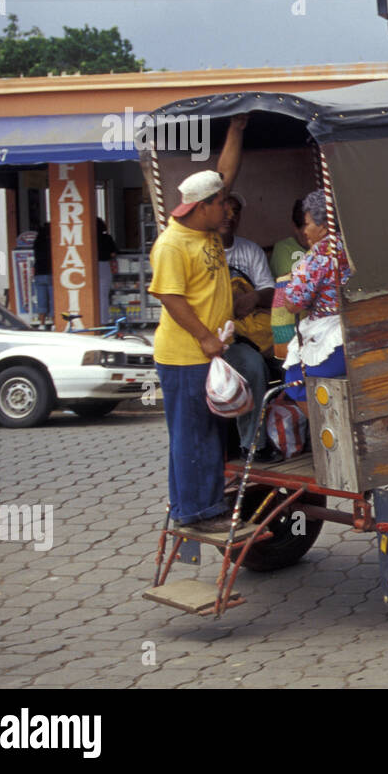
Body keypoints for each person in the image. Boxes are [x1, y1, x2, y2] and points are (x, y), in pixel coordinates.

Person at [148, 114, 247, 534]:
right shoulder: (173, 243)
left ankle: (190, 505)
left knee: (198, 435)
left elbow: (223, 174)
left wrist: (236, 131)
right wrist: (206, 338)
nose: (228, 209)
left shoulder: (202, 229)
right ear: (202, 207)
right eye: (221, 204)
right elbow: (169, 296)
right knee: (194, 438)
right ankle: (199, 513)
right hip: (186, 355)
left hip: (204, 352)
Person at [282, 189, 353, 413]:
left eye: (307, 224)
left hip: (334, 338)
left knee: (294, 379)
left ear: (323, 225)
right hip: (356, 329)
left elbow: (293, 303)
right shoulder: (354, 245)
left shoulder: (320, 254)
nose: (304, 231)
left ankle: (322, 428)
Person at [219, 192, 278, 457]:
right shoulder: (203, 249)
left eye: (236, 211)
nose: (230, 217)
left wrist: (254, 297)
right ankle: (253, 445)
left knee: (292, 362)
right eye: (225, 209)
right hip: (219, 336)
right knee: (252, 366)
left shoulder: (249, 249)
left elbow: (270, 290)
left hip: (253, 331)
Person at [270, 199, 310, 278]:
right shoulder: (283, 248)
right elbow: (286, 283)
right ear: (295, 226)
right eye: (304, 234)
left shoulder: (325, 247)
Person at [96, 217, 119, 325]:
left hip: (88, 266)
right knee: (103, 295)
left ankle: (91, 318)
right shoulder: (106, 238)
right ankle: (103, 320)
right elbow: (113, 253)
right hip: (104, 265)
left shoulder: (88, 237)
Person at [32, 222, 52, 328]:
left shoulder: (37, 242)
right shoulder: (51, 242)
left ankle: (42, 323)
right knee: (53, 299)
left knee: (41, 299)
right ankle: (55, 322)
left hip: (39, 273)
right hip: (50, 272)